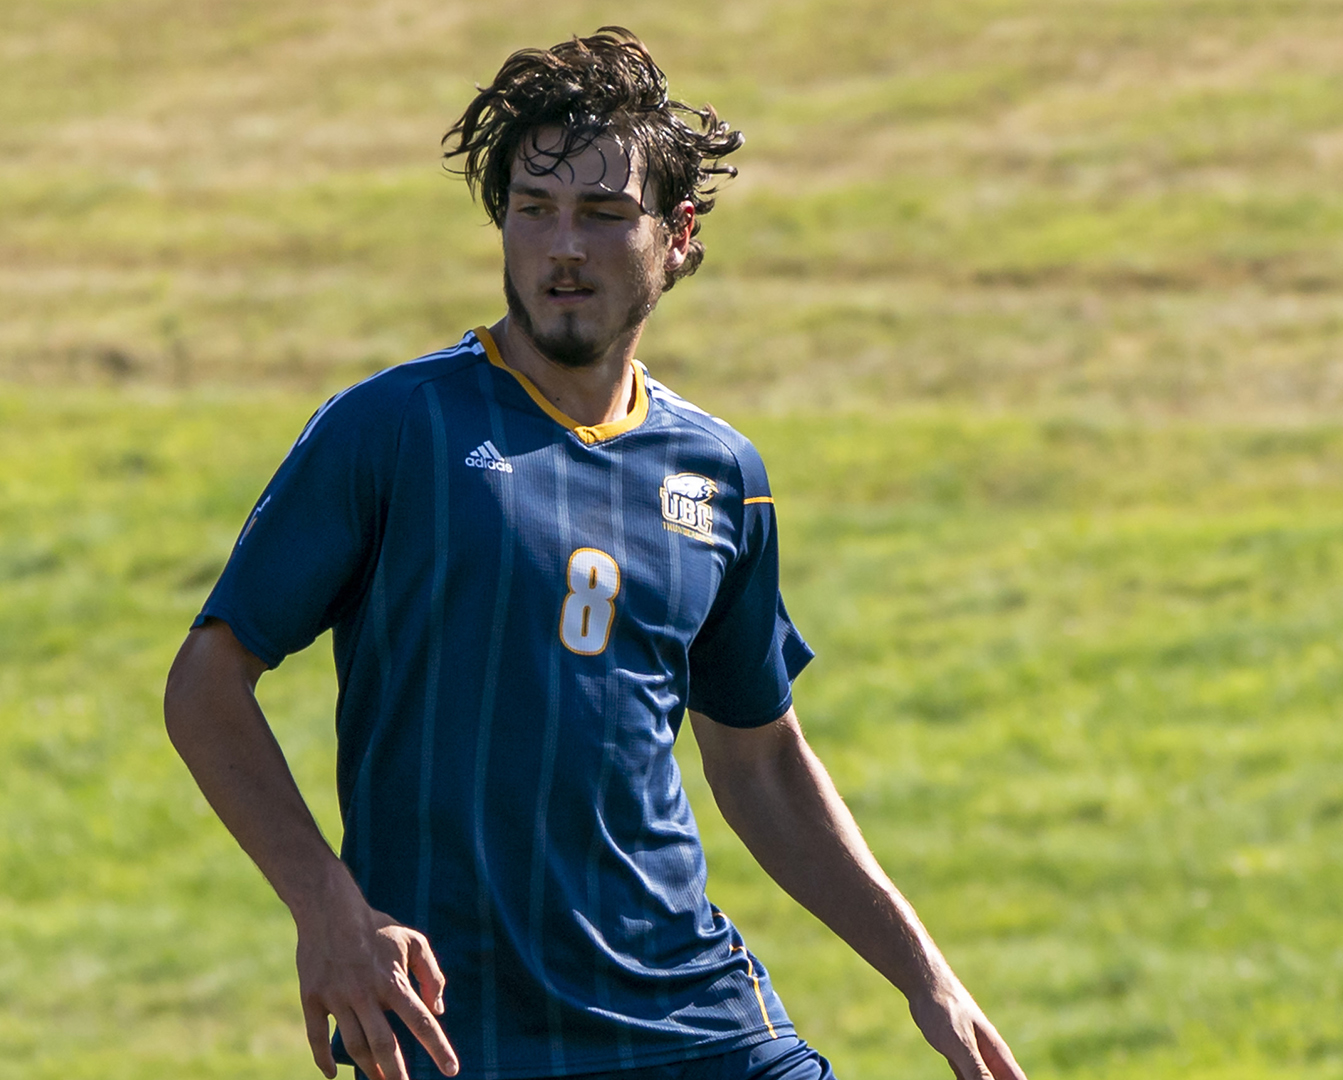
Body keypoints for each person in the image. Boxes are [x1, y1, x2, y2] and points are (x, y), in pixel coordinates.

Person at [163, 27, 1028, 1080]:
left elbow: (758, 759)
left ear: (679, 236)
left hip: (698, 1021)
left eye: (605, 216)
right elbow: (207, 684)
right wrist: (327, 908)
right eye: (535, 211)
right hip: (459, 1029)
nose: (562, 248)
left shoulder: (720, 474)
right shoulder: (395, 429)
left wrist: (924, 974)